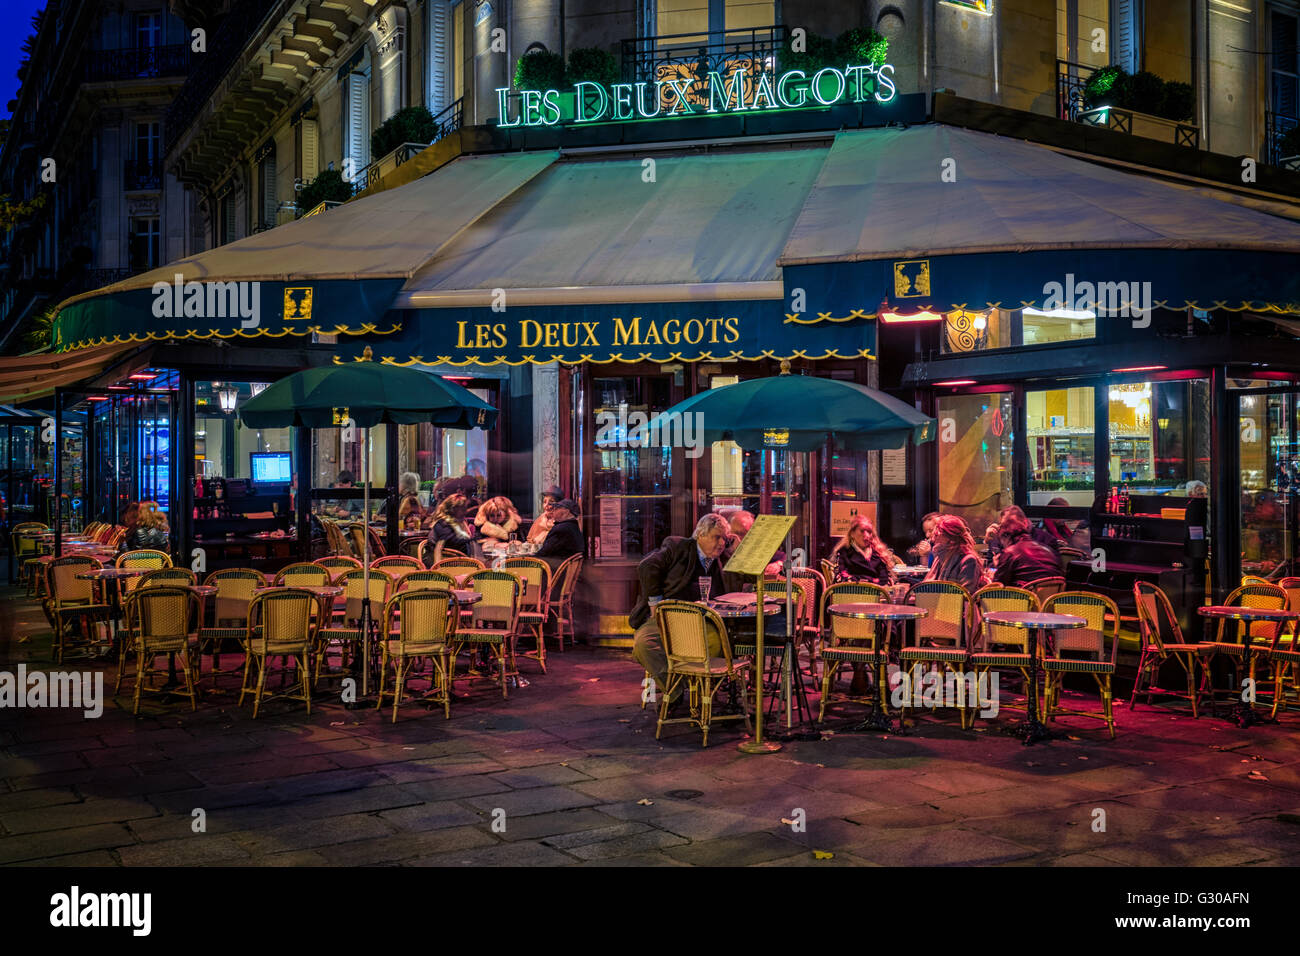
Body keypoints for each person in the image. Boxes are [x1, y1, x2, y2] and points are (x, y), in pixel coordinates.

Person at [630, 513, 743, 697]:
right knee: (644, 645)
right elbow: (647, 566)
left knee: (719, 646)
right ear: (700, 534)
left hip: (704, 622)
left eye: (724, 538)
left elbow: (743, 580)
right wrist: (655, 603)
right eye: (716, 537)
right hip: (668, 618)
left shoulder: (723, 559)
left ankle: (696, 692)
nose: (722, 543)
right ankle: (676, 690)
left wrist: (737, 552)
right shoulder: (678, 547)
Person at [993, 507, 1062, 587]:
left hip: (1024, 598)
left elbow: (997, 588)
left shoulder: (1010, 553)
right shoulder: (1049, 551)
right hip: (1051, 598)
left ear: (1006, 535)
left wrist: (999, 566)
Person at [924, 514, 986, 594]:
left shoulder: (968, 560)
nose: (932, 538)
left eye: (936, 534)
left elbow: (966, 594)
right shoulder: (939, 557)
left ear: (950, 537)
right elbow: (927, 586)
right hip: (935, 604)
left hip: (956, 605)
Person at [830, 515, 897, 585]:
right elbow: (841, 578)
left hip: (876, 594)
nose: (867, 535)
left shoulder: (878, 553)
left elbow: (884, 579)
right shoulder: (843, 552)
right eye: (862, 531)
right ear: (852, 533)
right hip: (851, 594)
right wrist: (872, 580)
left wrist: (858, 579)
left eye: (869, 532)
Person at [424, 493, 474, 565]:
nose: (466, 511)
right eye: (463, 508)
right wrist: (438, 570)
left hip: (458, 563)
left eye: (466, 508)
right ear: (453, 509)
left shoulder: (459, 521)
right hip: (445, 565)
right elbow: (438, 548)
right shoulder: (443, 524)